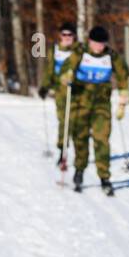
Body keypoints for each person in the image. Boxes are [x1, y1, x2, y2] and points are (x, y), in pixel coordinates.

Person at [58, 25, 129, 196]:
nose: (99, 47)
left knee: (102, 140)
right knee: (80, 138)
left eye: (102, 44)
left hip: (101, 105)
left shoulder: (111, 56)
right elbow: (66, 69)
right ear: (89, 41)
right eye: (96, 43)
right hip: (79, 102)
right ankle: (79, 170)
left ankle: (104, 178)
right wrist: (66, 76)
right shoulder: (80, 53)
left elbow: (123, 76)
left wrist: (123, 100)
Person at [39, 21, 77, 167]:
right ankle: (63, 152)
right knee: (64, 121)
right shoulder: (54, 50)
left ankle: (81, 154)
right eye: (64, 34)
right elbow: (50, 70)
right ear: (60, 36)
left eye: (70, 34)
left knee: (78, 124)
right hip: (61, 92)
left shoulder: (79, 50)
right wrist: (45, 86)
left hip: (77, 92)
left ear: (74, 36)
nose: (67, 37)